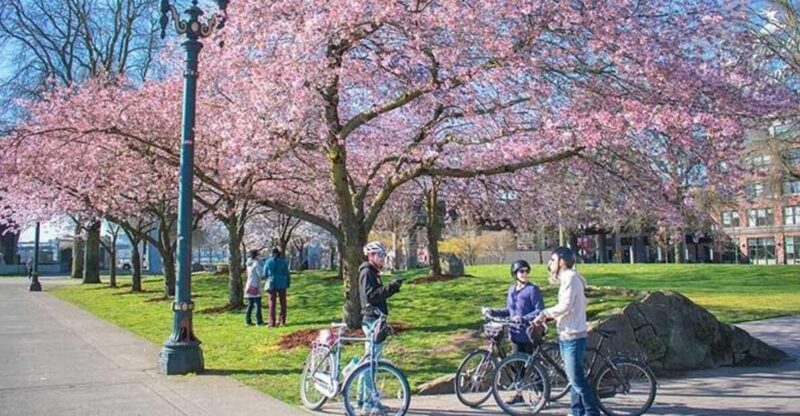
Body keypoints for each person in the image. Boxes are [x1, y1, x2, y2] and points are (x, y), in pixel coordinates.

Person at [533, 247, 600, 416]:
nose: (550, 263)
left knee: (577, 380)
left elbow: (565, 305)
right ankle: (577, 411)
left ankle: (592, 412)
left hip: (573, 336)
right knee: (573, 379)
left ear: (562, 261)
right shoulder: (568, 278)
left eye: (553, 260)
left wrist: (544, 313)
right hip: (568, 334)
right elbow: (569, 308)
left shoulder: (570, 278)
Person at [483, 259, 545, 405]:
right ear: (515, 273)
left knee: (532, 366)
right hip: (515, 334)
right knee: (517, 366)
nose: (524, 274)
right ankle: (519, 395)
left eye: (526, 271)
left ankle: (543, 395)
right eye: (521, 271)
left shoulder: (532, 290)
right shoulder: (512, 290)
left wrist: (523, 318)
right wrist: (492, 311)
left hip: (529, 333)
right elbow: (508, 311)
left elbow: (539, 310)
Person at [358, 241, 403, 411]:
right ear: (371, 255)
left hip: (375, 320)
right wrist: (391, 288)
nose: (383, 259)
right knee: (371, 363)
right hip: (372, 321)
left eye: (384, 255)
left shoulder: (372, 272)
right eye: (380, 255)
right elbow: (371, 296)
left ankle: (363, 399)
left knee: (368, 361)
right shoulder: (367, 272)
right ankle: (369, 403)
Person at [263, 248, 291, 327]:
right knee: (283, 303)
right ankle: (282, 321)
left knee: (272, 303)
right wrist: (288, 283)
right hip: (282, 283)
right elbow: (287, 274)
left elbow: (264, 273)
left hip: (272, 283)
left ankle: (272, 322)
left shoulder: (268, 262)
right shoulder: (283, 262)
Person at [243, 250, 265, 326]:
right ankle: (259, 321)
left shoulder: (248, 263)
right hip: (255, 285)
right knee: (258, 304)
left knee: (250, 304)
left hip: (249, 284)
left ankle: (247, 320)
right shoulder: (256, 263)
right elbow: (261, 274)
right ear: (256, 255)